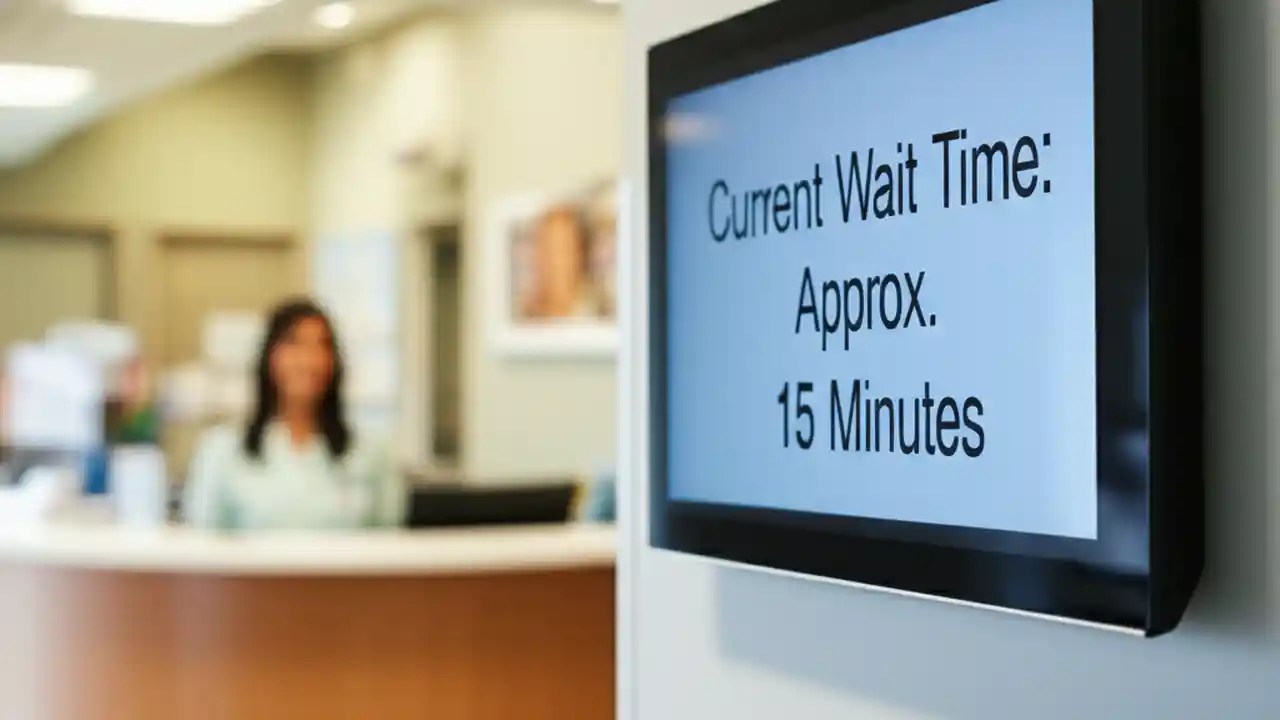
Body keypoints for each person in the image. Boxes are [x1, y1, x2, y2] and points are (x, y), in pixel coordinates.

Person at [184, 299, 403, 530]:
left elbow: (388, 541)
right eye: (294, 344)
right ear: (269, 356)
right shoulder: (223, 450)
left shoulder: (370, 451)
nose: (309, 360)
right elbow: (203, 544)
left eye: (322, 346)